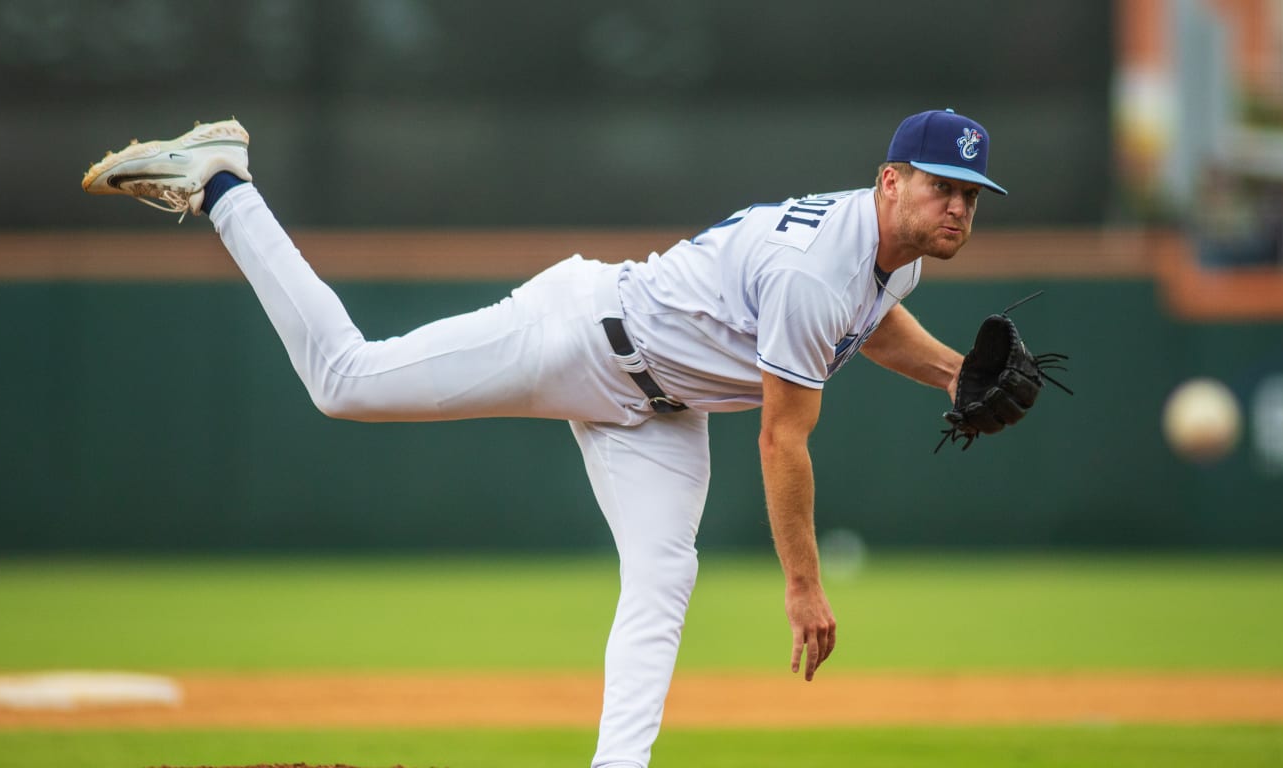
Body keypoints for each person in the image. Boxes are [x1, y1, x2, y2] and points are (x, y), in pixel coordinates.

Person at [82, 108, 1005, 768]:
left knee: (663, 575)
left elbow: (872, 319)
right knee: (345, 382)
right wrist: (804, 588)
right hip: (582, 336)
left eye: (970, 194)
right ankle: (225, 182)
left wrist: (956, 373)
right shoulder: (816, 271)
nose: (957, 207)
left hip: (661, 411)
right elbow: (782, 441)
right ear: (891, 181)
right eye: (940, 187)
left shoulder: (891, 258)